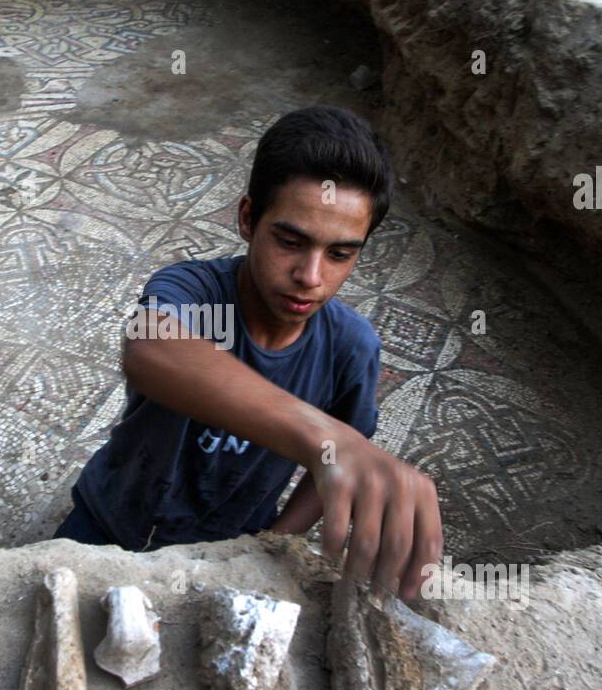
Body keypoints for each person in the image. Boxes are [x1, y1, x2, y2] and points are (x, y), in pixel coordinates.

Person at [53, 105, 443, 602]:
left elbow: (337, 463)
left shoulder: (350, 347)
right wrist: (324, 436)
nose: (311, 276)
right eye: (290, 241)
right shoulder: (200, 295)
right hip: (109, 514)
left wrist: (277, 542)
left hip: (226, 548)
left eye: (340, 254)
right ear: (247, 218)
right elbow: (153, 346)